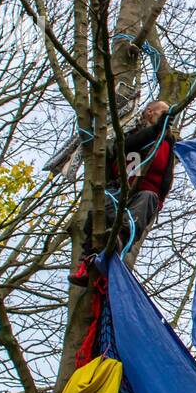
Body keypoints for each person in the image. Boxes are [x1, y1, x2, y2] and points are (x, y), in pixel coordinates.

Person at [70, 99, 177, 285]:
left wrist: (160, 200)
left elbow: (167, 175)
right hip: (119, 189)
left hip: (145, 194)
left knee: (147, 199)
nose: (165, 118)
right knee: (100, 210)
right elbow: (126, 146)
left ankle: (119, 240)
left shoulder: (168, 142)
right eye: (162, 113)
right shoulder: (131, 129)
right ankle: (88, 262)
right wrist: (155, 130)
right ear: (150, 111)